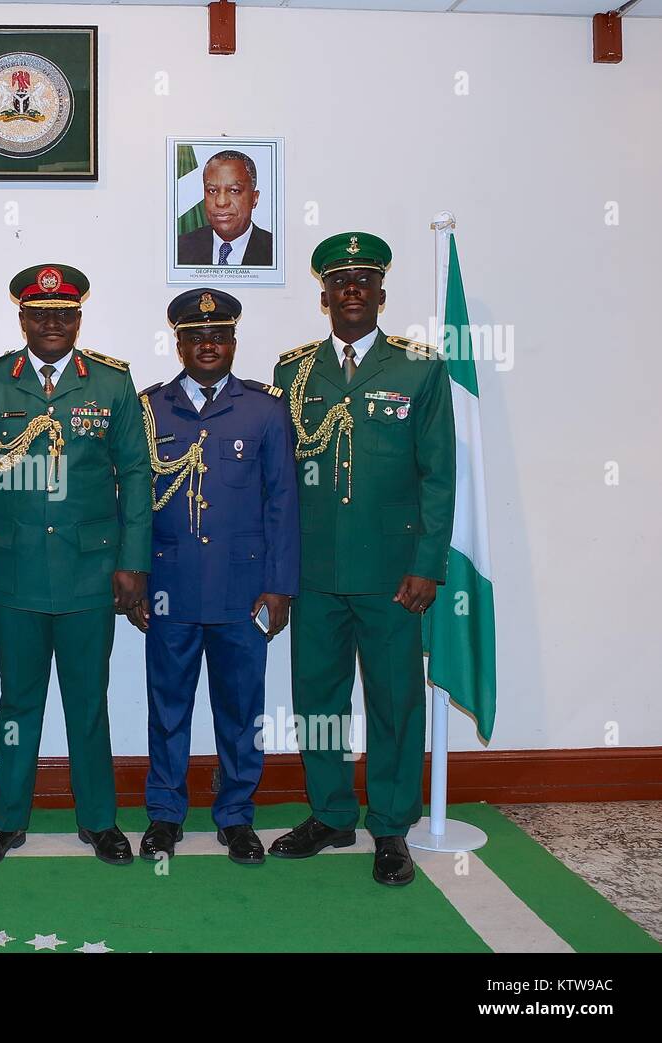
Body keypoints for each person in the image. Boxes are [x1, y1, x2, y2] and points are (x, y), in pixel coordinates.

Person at [270, 233, 455, 886]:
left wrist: (429, 563)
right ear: (323, 296)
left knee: (394, 702)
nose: (351, 291)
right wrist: (278, 571)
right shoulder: (293, 373)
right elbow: (280, 482)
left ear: (380, 293)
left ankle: (391, 827)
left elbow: (438, 474)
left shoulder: (419, 369)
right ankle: (330, 812)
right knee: (318, 698)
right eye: (340, 282)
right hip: (315, 572)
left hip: (391, 572)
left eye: (363, 281)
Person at [0, 264, 152, 868]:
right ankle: (5, 819)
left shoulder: (113, 383)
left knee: (87, 701)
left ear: (78, 319)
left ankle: (99, 820)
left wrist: (133, 563)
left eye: (63, 314)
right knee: (17, 702)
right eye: (39, 314)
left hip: (90, 573)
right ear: (22, 319)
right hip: (12, 569)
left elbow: (137, 477)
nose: (51, 323)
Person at [131, 288, 299, 864]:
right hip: (169, 586)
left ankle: (235, 815)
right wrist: (131, 576)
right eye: (196, 337)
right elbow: (131, 500)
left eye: (219, 335)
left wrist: (280, 585)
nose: (208, 345)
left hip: (242, 589)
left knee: (241, 708)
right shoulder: (149, 408)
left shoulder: (266, 410)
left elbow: (283, 503)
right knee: (168, 706)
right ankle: (165, 814)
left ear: (233, 342)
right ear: (178, 343)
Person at [176, 150, 274, 267]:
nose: (221, 202)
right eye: (212, 191)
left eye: (234, 190)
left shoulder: (276, 249)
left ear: (254, 199)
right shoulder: (180, 248)